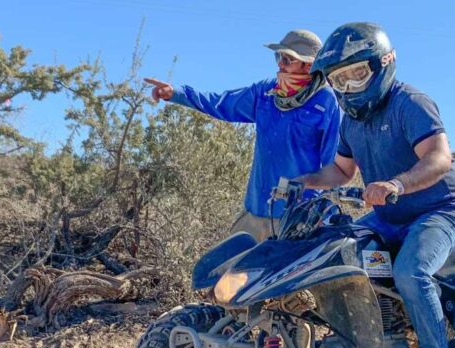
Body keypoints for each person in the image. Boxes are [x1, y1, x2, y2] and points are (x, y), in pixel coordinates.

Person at [295, 22, 455, 348]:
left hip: (439, 210)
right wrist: (305, 181)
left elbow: (439, 158)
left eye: (357, 74)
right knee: (335, 250)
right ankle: (370, 344)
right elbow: (342, 170)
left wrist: (397, 184)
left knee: (410, 271)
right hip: (390, 215)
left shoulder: (410, 103)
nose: (348, 87)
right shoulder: (351, 122)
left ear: (383, 64)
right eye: (339, 80)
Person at [145, 30, 341, 241]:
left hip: (297, 220)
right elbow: (222, 103)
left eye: (287, 59)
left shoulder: (327, 102)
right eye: (279, 57)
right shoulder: (265, 93)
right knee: (229, 262)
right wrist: (176, 94)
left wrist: (321, 215)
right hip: (254, 214)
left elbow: (334, 169)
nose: (280, 64)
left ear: (308, 65)